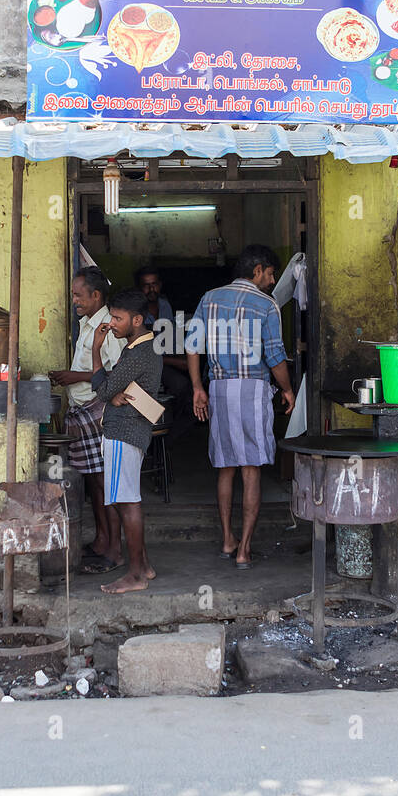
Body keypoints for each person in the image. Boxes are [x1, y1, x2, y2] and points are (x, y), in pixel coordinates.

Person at [187, 244, 295, 569]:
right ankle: (245, 550)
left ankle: (226, 539)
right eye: (272, 273)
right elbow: (275, 358)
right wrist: (288, 389)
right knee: (251, 470)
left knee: (225, 467)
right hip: (252, 389)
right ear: (258, 270)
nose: (272, 280)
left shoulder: (210, 298)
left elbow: (192, 346)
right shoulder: (267, 304)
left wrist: (196, 388)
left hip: (219, 388)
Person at [48, 267, 125, 571]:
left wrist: (73, 376)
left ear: (96, 295)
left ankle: (115, 550)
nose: (74, 300)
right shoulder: (87, 324)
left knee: (106, 484)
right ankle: (102, 541)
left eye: (79, 295)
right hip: (82, 411)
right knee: (95, 483)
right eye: (73, 295)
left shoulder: (108, 327)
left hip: (99, 410)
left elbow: (118, 373)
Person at [90, 289, 163, 594]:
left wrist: (96, 350)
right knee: (125, 498)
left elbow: (103, 390)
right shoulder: (142, 348)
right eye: (112, 317)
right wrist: (113, 390)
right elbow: (112, 391)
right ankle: (142, 563)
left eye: (118, 318)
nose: (112, 324)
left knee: (127, 501)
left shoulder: (137, 354)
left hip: (123, 433)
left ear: (136, 319)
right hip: (130, 432)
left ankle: (135, 574)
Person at [135, 264, 193, 441]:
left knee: (187, 391)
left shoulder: (164, 305)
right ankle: (157, 439)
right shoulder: (135, 309)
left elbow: (172, 340)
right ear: (139, 287)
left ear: (160, 284)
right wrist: (171, 360)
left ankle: (168, 437)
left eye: (154, 284)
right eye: (146, 285)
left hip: (163, 361)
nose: (151, 289)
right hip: (144, 366)